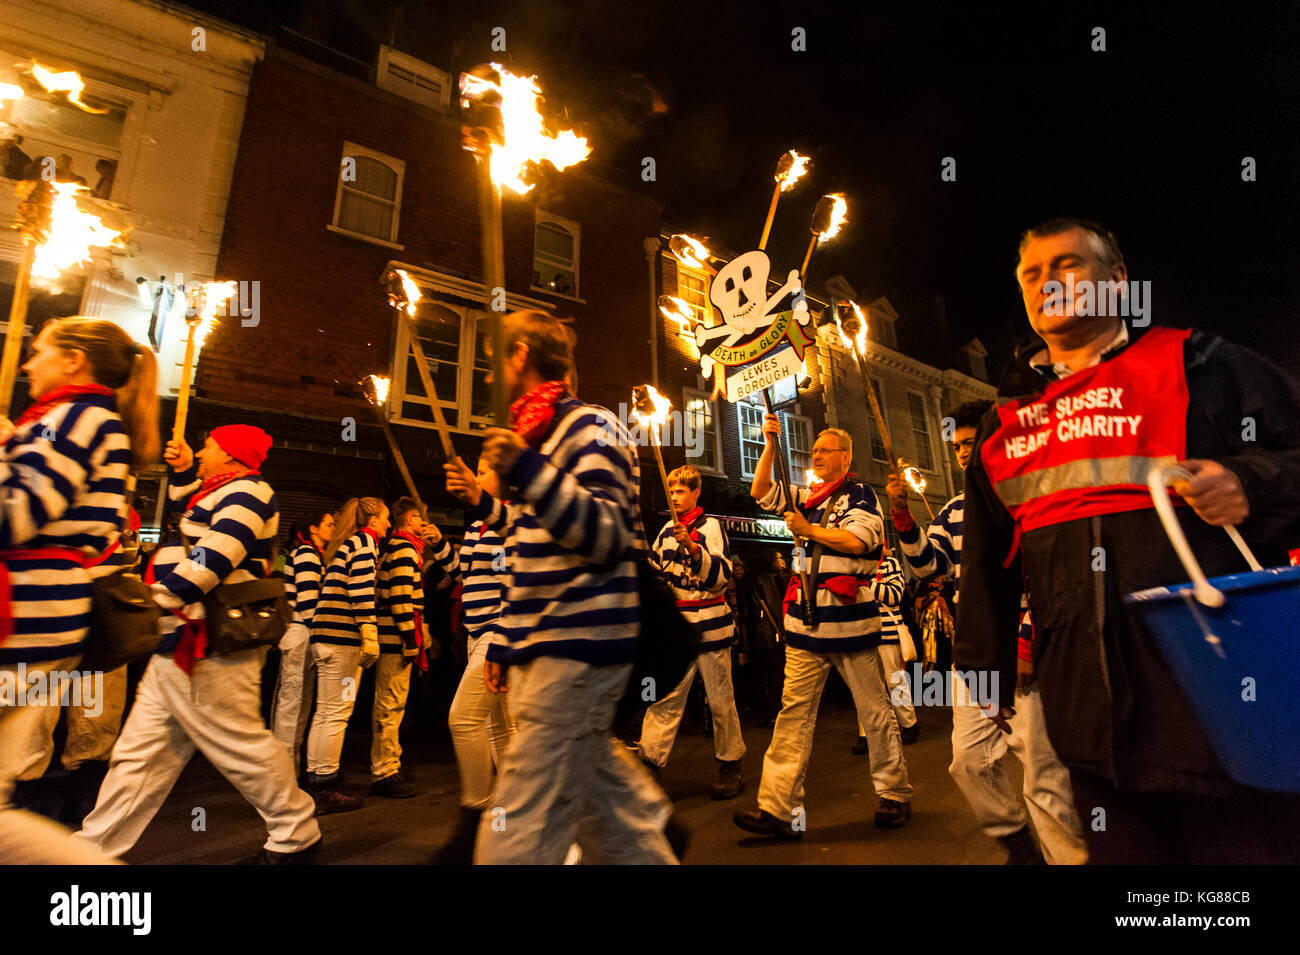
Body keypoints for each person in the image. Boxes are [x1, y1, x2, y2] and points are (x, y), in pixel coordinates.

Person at [958, 217, 1300, 864]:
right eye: (1032, 273)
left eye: (1067, 265)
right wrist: (985, 671)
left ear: (1118, 282)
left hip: (1226, 722)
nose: (1047, 283)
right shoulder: (1005, 424)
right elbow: (985, 563)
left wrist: (1253, 483)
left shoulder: (1201, 363)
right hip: (1090, 737)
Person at [444, 309, 676, 864]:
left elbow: (602, 534)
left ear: (520, 355)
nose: (485, 374)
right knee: (612, 818)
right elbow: (532, 551)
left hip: (579, 653)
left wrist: (527, 469)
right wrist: (506, 641)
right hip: (547, 650)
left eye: (492, 358)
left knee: (518, 829)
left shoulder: (591, 426)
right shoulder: (540, 437)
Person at [76, 423, 322, 864]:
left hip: (206, 644)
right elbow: (189, 519)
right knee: (139, 756)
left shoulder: (251, 490)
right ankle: (91, 850)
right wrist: (186, 468)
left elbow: (219, 550)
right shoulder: (224, 489)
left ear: (231, 454)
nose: (203, 451)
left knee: (240, 747)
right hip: (183, 640)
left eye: (208, 447)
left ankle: (296, 833)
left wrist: (159, 598)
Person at [888, 398, 1086, 865]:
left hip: (1024, 648)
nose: (961, 453)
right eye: (956, 445)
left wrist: (1024, 641)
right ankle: (1021, 846)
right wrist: (902, 517)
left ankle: (1070, 857)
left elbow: (1053, 577)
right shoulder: (955, 510)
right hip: (976, 654)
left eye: (970, 443)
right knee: (969, 762)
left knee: (1042, 772)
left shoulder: (1029, 496)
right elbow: (927, 564)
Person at [0, 317, 156, 864]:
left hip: (27, 617)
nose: (26, 363)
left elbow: (15, 514)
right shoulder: (72, 420)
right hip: (37, 613)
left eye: (38, 351)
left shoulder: (75, 419)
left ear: (74, 360)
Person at [733, 420, 913, 839]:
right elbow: (760, 491)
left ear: (845, 457)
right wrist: (770, 442)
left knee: (874, 711)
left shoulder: (860, 494)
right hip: (805, 621)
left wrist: (809, 530)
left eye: (825, 450)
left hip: (850, 620)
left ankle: (894, 792)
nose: (815, 455)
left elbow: (859, 542)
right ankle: (777, 808)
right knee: (793, 714)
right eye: (813, 449)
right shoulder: (804, 495)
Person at [636, 465, 746, 799]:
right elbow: (658, 571)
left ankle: (731, 766)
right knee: (665, 699)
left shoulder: (711, 526)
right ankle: (649, 764)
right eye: (671, 490)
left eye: (681, 491)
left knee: (720, 700)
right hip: (679, 632)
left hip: (711, 629)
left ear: (696, 493)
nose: (675, 496)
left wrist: (696, 550)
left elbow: (722, 577)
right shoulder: (666, 530)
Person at [428, 458, 514, 864]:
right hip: (479, 634)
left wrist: (504, 642)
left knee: (462, 718)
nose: (477, 477)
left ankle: (478, 812)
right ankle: (513, 813)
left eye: (483, 470)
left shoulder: (506, 522)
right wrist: (440, 546)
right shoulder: (477, 525)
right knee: (503, 731)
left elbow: (517, 582)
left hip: (499, 634)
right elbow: (463, 573)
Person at [304, 497, 388, 813]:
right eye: (386, 518)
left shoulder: (346, 543)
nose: (388, 524)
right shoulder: (365, 542)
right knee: (339, 710)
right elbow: (361, 588)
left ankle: (317, 779)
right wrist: (369, 632)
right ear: (374, 519)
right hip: (343, 640)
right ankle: (327, 784)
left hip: (324, 637)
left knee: (325, 711)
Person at [369, 496, 429, 799]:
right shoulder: (405, 549)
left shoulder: (396, 547)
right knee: (390, 704)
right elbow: (401, 598)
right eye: (420, 517)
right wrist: (409, 640)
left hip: (392, 636)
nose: (424, 523)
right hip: (396, 639)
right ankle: (385, 771)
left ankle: (389, 764)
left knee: (390, 703)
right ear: (410, 519)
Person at [270, 507, 334, 776]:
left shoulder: (307, 553)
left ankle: (286, 770)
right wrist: (319, 635)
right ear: (313, 529)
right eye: (329, 523)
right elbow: (309, 603)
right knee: (294, 705)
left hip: (297, 633)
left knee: (293, 702)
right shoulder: (307, 554)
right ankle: (285, 773)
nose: (333, 527)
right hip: (301, 634)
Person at [852, 543, 918, 753]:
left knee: (895, 681)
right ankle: (867, 734)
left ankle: (909, 724)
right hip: (861, 633)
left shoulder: (890, 563)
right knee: (864, 687)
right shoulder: (853, 565)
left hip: (887, 633)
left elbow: (895, 595)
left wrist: (866, 582)